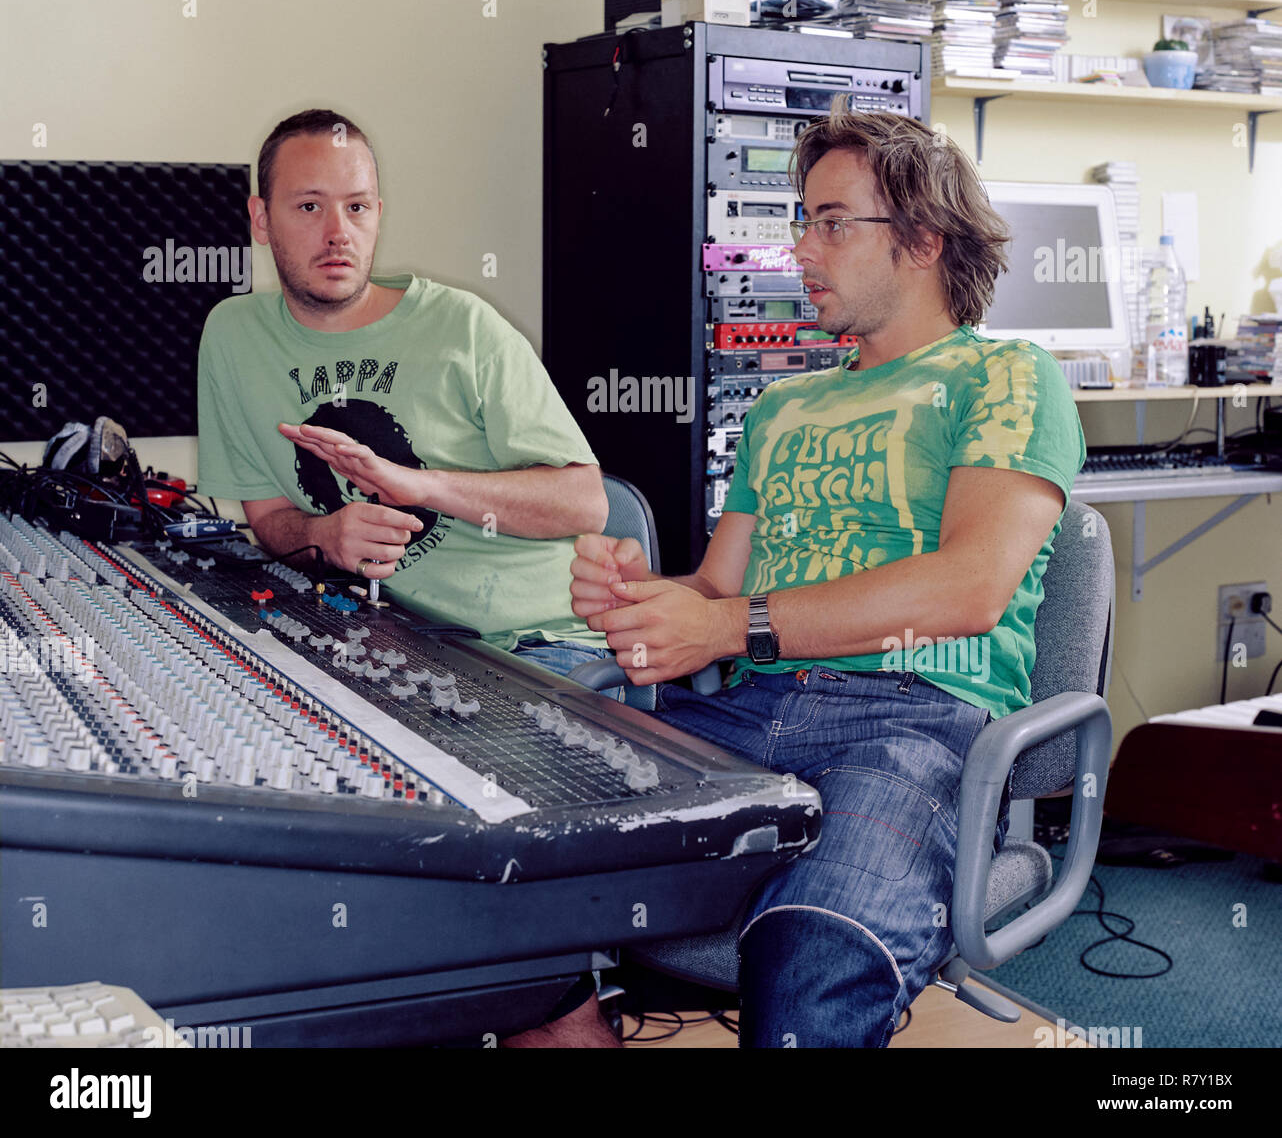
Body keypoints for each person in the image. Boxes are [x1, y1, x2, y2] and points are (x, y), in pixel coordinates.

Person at [570, 107, 1086, 1048]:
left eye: (832, 222)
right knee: (521, 857)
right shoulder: (783, 404)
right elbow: (719, 594)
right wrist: (645, 593)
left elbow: (968, 587)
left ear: (923, 240)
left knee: (815, 956)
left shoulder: (1006, 377)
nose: (801, 248)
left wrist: (727, 629)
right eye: (802, 221)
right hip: (746, 713)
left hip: (915, 721)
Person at [196, 108, 610, 679]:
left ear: (377, 216)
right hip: (385, 636)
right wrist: (323, 535)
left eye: (357, 207)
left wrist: (421, 486)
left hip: (533, 644)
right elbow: (267, 515)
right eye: (310, 206)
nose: (338, 231)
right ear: (261, 219)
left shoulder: (464, 326)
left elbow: (585, 502)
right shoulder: (234, 335)